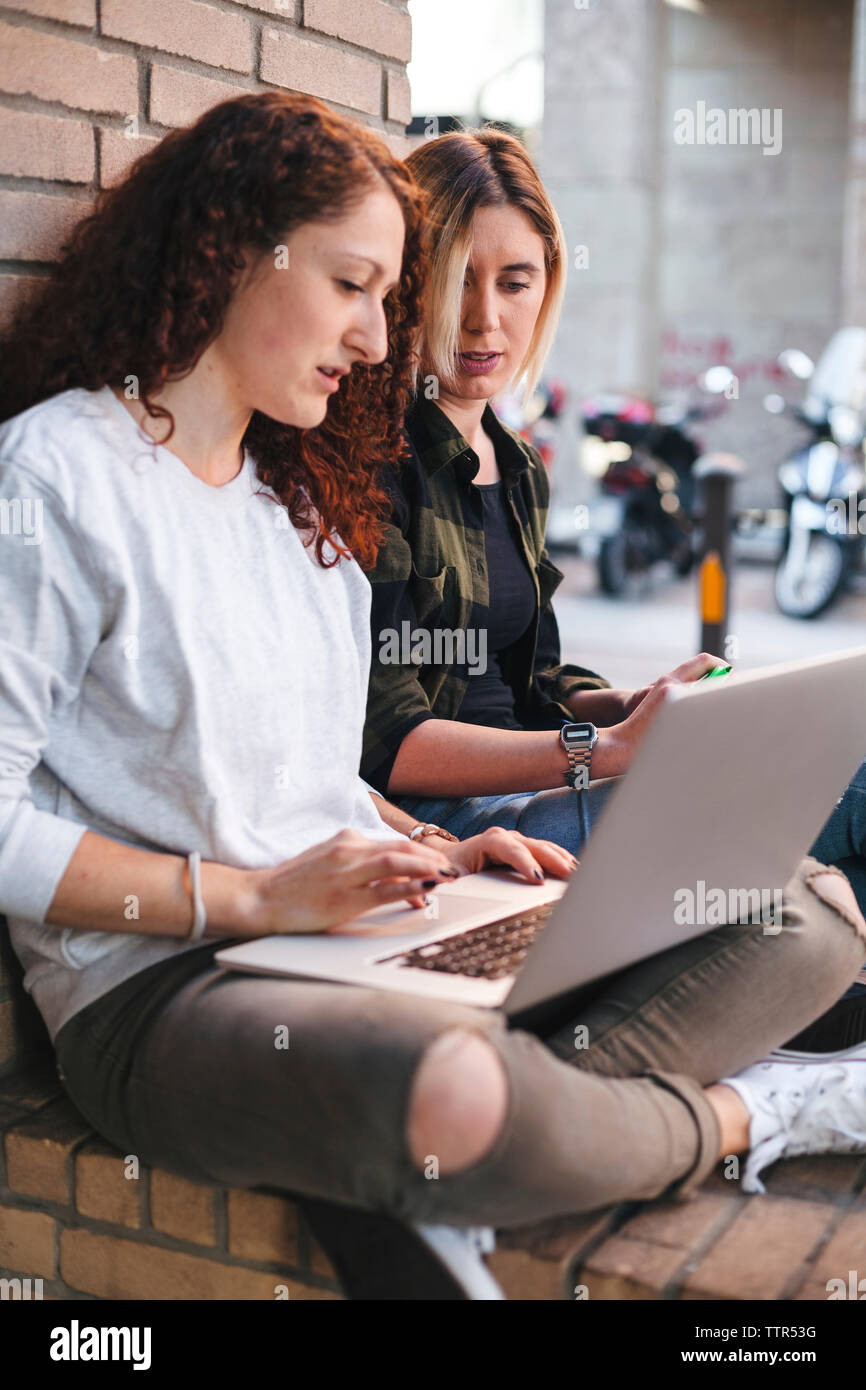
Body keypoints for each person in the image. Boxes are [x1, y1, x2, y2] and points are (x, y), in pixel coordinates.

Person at [2, 94, 866, 1304]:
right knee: (454, 1087)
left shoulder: (291, 513)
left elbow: (312, 769)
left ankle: (457, 1153)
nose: (373, 337)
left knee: (807, 917)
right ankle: (747, 1114)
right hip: (166, 983)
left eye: (383, 299)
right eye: (355, 285)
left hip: (363, 934)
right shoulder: (59, 475)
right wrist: (251, 893)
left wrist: (431, 849)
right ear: (233, 249)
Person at [360, 126, 866, 1060]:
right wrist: (600, 750)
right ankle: (791, 995)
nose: (483, 320)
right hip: (481, 831)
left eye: (514, 282)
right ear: (404, 281)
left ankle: (810, 989)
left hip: (557, 782)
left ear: (548, 286)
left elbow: (536, 683)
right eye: (456, 278)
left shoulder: (511, 463)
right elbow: (387, 746)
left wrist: (634, 705)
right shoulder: (370, 462)